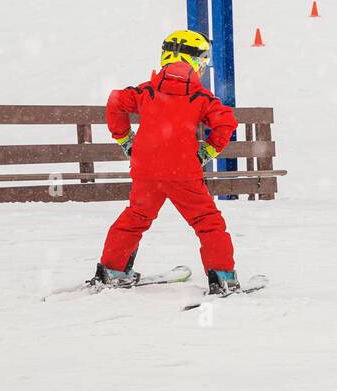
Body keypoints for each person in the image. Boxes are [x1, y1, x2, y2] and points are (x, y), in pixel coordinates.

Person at [96, 30, 244, 295]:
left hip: (146, 170)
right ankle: (222, 278)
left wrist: (125, 139)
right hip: (183, 172)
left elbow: (115, 100)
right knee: (207, 222)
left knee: (136, 217)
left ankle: (112, 271)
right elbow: (225, 121)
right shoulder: (200, 98)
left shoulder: (147, 91)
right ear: (195, 61)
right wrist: (207, 151)